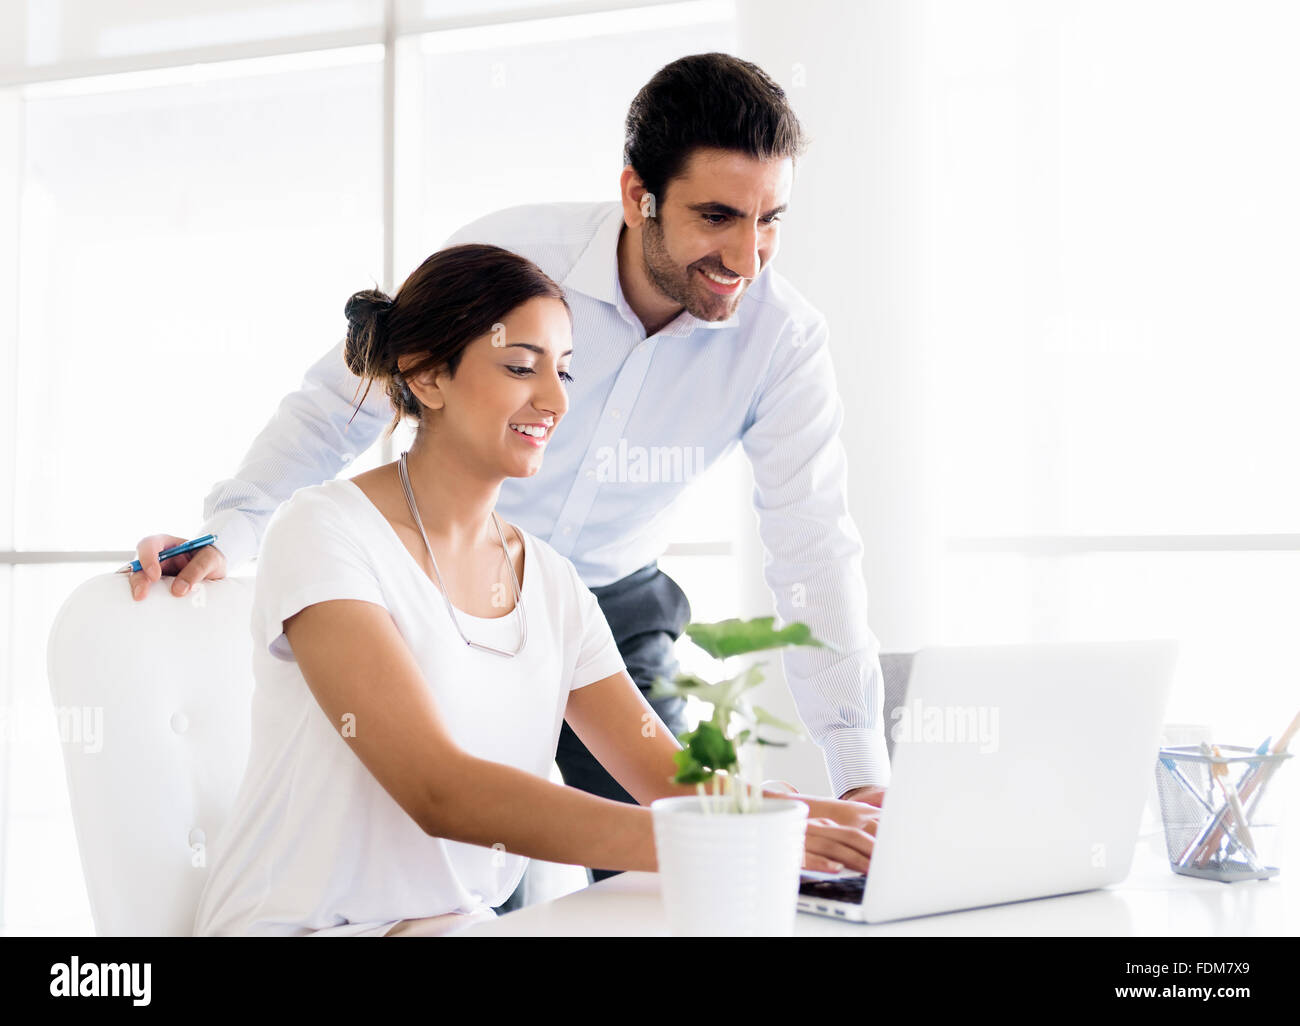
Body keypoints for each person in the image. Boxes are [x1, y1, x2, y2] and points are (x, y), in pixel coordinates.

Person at [136, 52, 890, 904]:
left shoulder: (780, 341)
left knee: (687, 882)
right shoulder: (510, 270)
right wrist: (233, 526)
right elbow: (339, 398)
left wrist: (834, 796)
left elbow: (813, 547)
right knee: (474, 838)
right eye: (718, 216)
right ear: (637, 192)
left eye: (770, 221)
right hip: (425, 589)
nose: (748, 259)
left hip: (598, 597)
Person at [190, 244, 878, 936]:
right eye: (521, 367)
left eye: (564, 371)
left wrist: (803, 820)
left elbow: (670, 781)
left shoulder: (550, 582)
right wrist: (713, 842)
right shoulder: (325, 532)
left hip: (454, 925)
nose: (554, 400)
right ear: (427, 376)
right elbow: (438, 790)